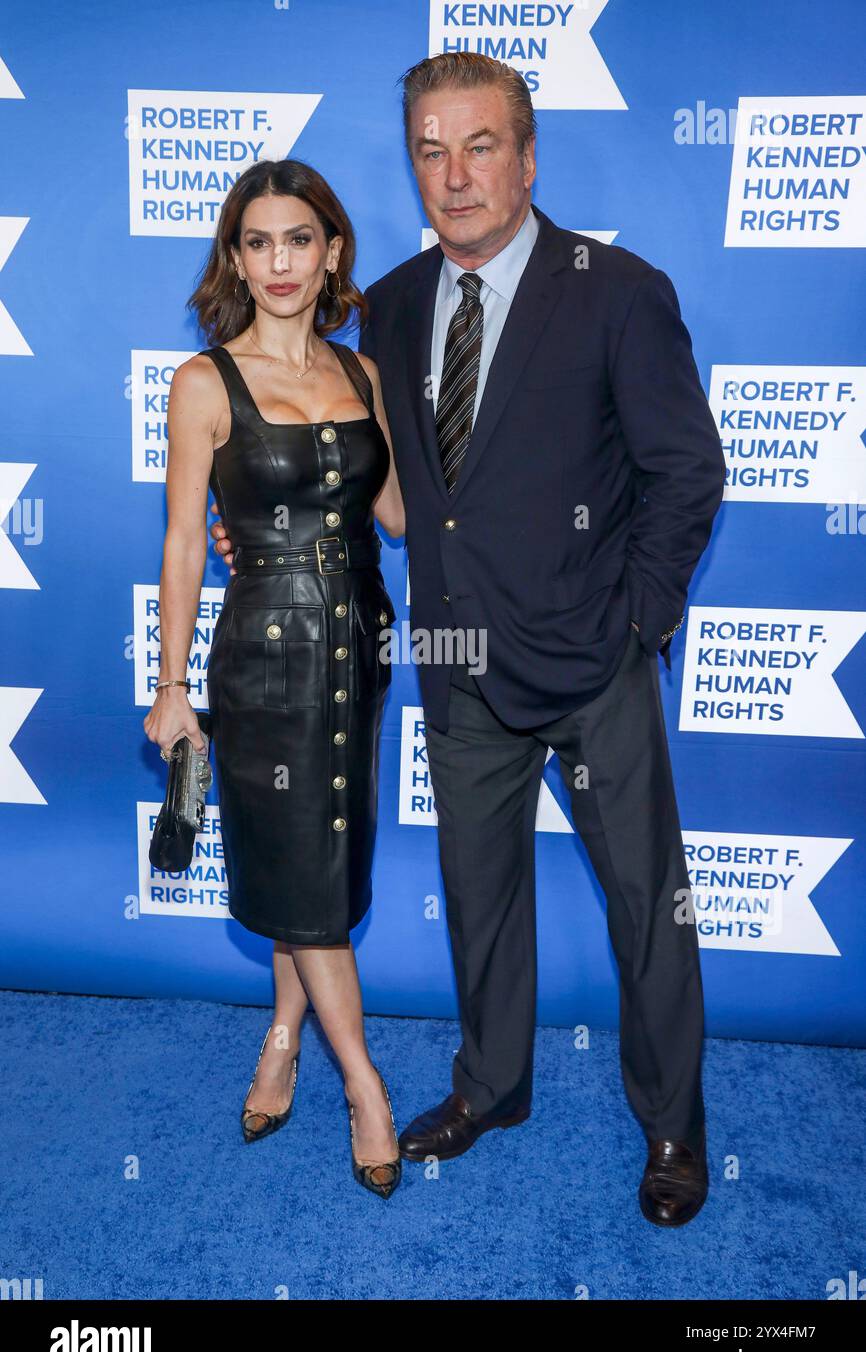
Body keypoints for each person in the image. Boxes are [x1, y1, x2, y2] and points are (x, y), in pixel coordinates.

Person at [211, 54, 727, 1227]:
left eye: (479, 145)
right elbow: (367, 478)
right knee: (478, 897)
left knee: (647, 906)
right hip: (456, 669)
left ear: (527, 158)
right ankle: (491, 1086)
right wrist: (267, 528)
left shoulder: (616, 290)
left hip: (592, 664)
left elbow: (685, 472)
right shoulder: (390, 304)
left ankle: (671, 1125)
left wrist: (635, 623)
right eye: (429, 150)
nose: (453, 175)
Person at [144, 158, 406, 1201]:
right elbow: (182, 542)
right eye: (258, 243)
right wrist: (172, 686)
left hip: (359, 645)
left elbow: (396, 518)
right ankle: (365, 1088)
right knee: (306, 873)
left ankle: (284, 1036)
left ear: (331, 251)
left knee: (321, 868)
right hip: (264, 655)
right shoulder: (204, 381)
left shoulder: (364, 374)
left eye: (299, 239)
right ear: (237, 260)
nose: (280, 261)